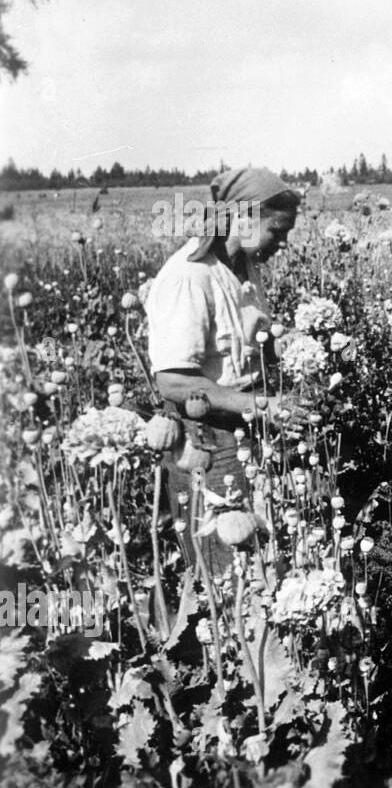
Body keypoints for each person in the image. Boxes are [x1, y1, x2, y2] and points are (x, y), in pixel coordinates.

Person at [145, 166, 306, 576]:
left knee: (264, 560)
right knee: (227, 569)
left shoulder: (244, 269)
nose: (283, 242)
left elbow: (240, 346)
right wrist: (259, 405)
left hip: (247, 432)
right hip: (208, 443)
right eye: (279, 230)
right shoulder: (189, 275)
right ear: (244, 217)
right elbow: (173, 380)